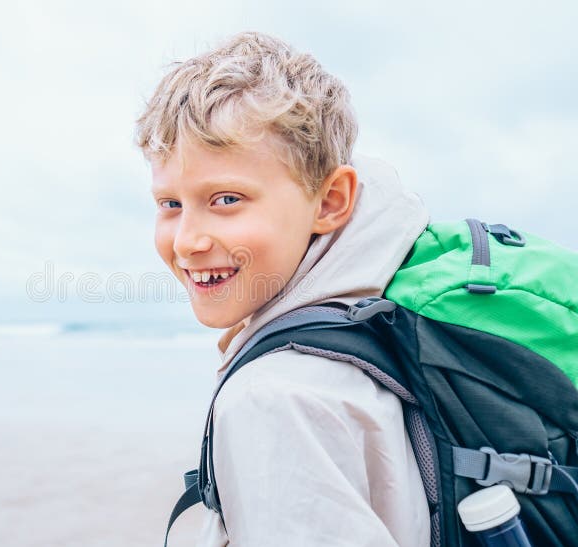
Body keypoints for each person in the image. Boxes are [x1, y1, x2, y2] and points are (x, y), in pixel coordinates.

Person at [136, 31, 431, 546]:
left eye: (227, 199)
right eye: (171, 204)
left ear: (330, 201)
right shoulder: (380, 314)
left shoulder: (274, 400)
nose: (187, 242)